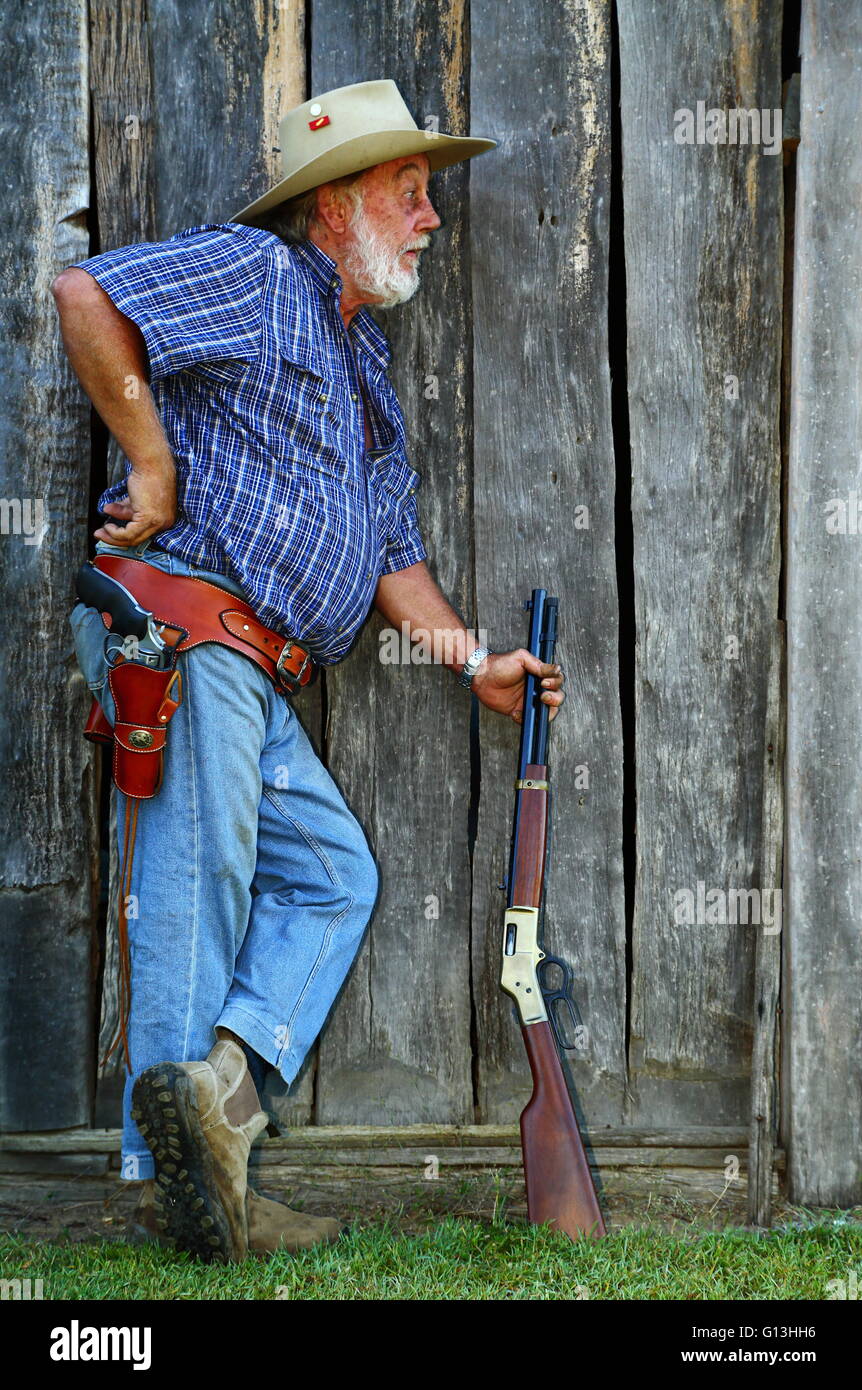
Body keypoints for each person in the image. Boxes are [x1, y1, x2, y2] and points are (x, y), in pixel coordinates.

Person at [52, 79, 565, 1262]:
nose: (429, 215)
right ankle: (169, 1187)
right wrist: (150, 462)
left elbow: (392, 558)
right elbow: (87, 296)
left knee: (332, 877)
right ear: (332, 205)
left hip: (249, 667)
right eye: (406, 190)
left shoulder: (363, 361)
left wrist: (475, 661)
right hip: (184, 631)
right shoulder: (258, 273)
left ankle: (216, 1129)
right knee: (197, 882)